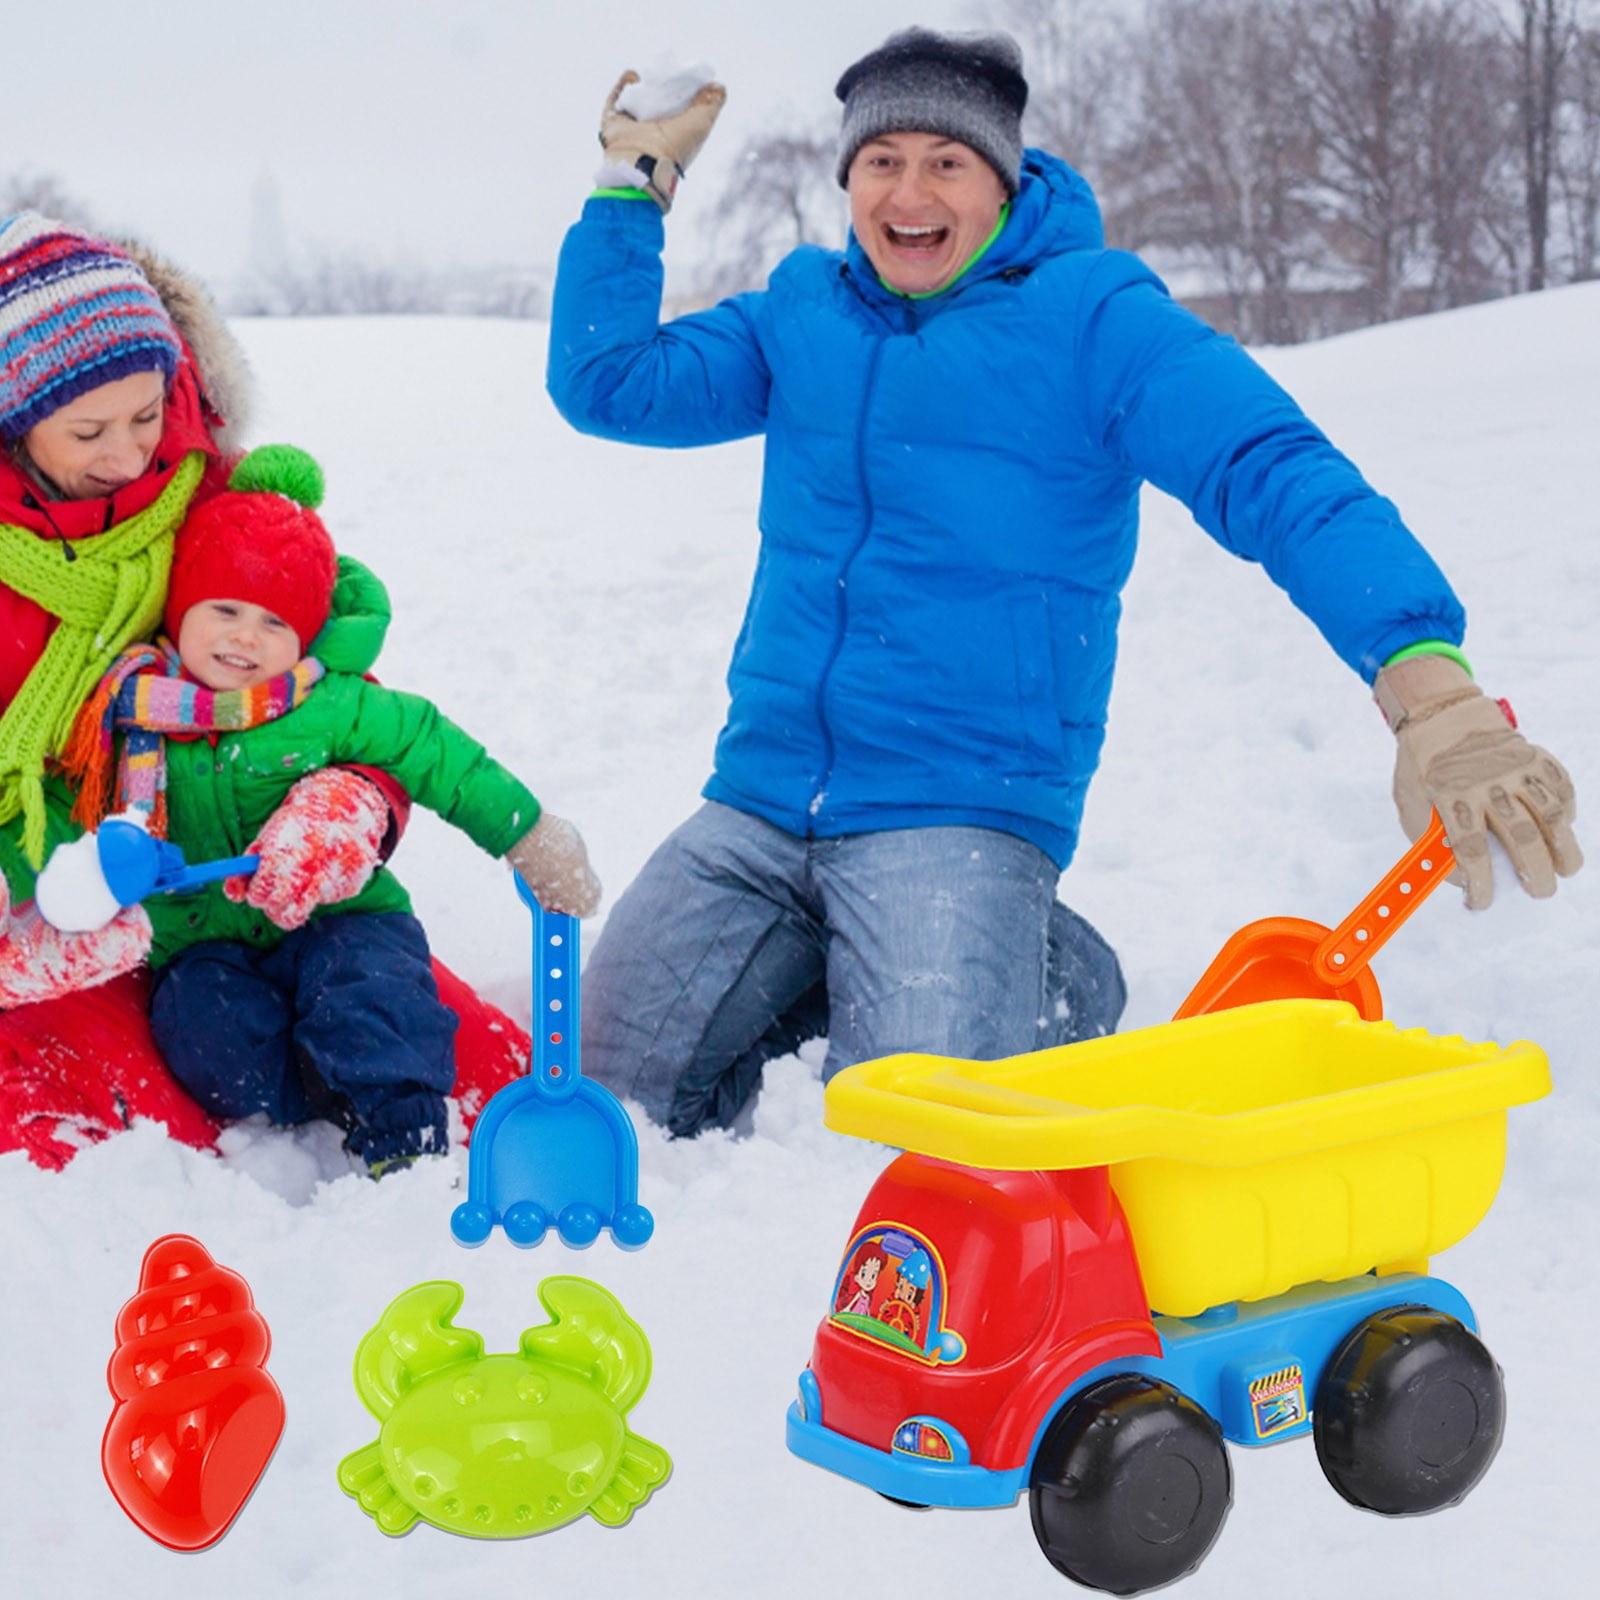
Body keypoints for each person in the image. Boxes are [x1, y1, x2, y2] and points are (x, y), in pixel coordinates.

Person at [546, 28, 1582, 1140]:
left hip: (955, 809)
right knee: (600, 1093)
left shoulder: (1095, 321)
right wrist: (628, 189)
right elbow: (609, 383)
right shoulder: (803, 312)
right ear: (847, 181)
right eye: (880, 159)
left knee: (910, 1140)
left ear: (1002, 180)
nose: (910, 190)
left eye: (946, 161)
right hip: (759, 800)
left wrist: (1427, 685)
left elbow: (1274, 471)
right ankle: (872, 962)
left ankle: (1046, 977)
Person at [0, 212, 542, 1168]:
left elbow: (337, 697)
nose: (130, 457)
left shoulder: (209, 496)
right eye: (88, 431)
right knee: (111, 1136)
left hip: (262, 874)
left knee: (481, 1084)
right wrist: (40, 900)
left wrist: (353, 802)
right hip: (73, 917)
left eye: (147, 417)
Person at [48, 445, 600, 1172]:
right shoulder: (127, 713)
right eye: (224, 610)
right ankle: (311, 1096)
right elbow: (62, 806)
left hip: (341, 916)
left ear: (304, 635)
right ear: (181, 609)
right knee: (203, 1032)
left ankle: (402, 1136)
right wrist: (76, 870)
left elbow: (436, 751)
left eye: (274, 623)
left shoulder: (331, 703)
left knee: (373, 998)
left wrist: (526, 835)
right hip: (203, 942)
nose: (246, 637)